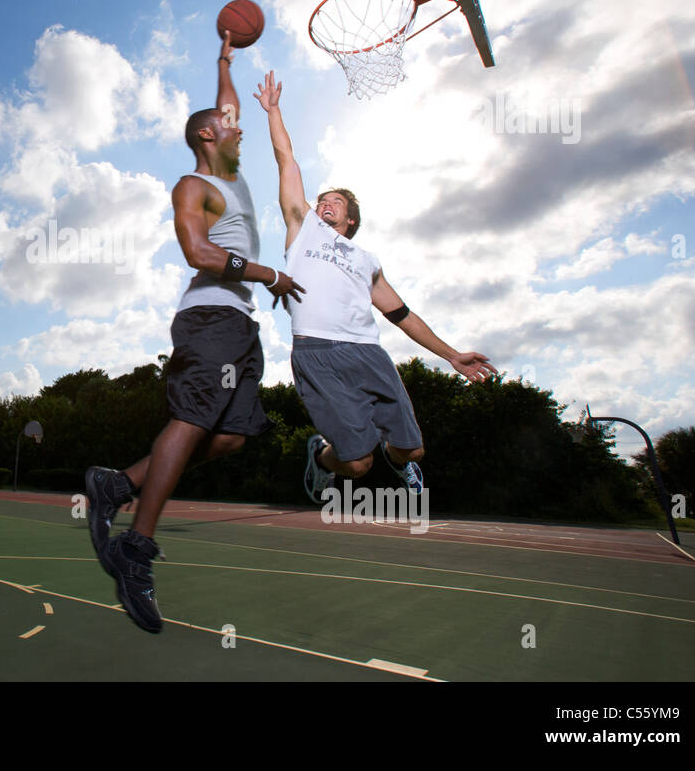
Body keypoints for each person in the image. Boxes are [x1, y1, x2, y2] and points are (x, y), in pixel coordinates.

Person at [84, 33, 303, 634]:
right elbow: (198, 252)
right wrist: (266, 273)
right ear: (208, 136)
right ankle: (136, 547)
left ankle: (120, 481)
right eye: (227, 126)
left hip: (242, 323)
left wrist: (226, 60)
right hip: (209, 315)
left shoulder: (233, 176)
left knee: (231, 439)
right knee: (194, 419)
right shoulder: (192, 186)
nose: (238, 129)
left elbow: (226, 107)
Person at [251, 70, 497, 502]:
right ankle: (322, 458)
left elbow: (403, 316)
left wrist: (453, 354)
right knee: (358, 464)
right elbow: (286, 159)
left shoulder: (367, 262)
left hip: (367, 352)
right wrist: (274, 110)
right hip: (317, 351)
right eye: (322, 199)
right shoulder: (302, 228)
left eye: (336, 203)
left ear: (349, 221)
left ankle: (405, 464)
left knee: (411, 447)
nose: (325, 203)